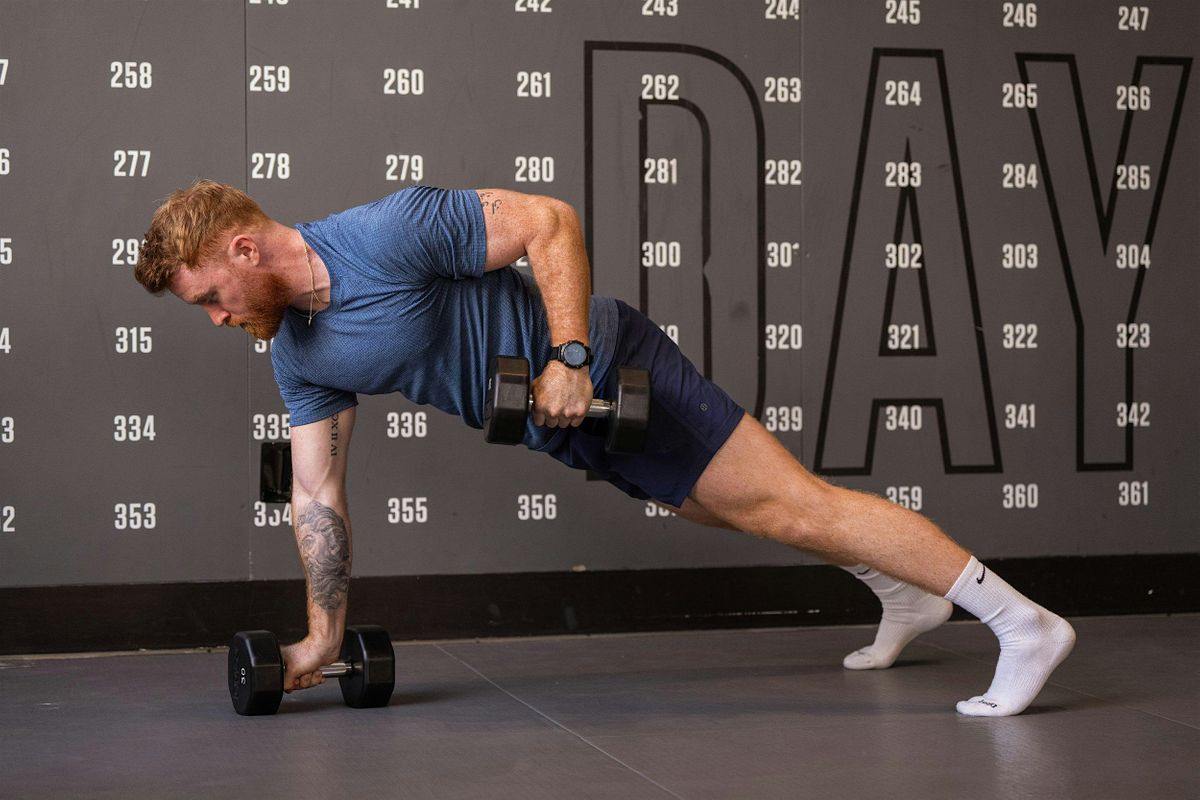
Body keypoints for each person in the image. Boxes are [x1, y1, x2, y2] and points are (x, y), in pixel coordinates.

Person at [134, 180, 1075, 717]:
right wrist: (324, 638)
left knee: (794, 503)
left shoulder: (387, 233)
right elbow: (316, 492)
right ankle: (900, 589)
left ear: (244, 249)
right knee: (734, 509)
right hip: (566, 431)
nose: (217, 319)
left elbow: (549, 221)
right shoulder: (299, 351)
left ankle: (1021, 623)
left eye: (210, 297)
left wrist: (572, 356)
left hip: (614, 372)